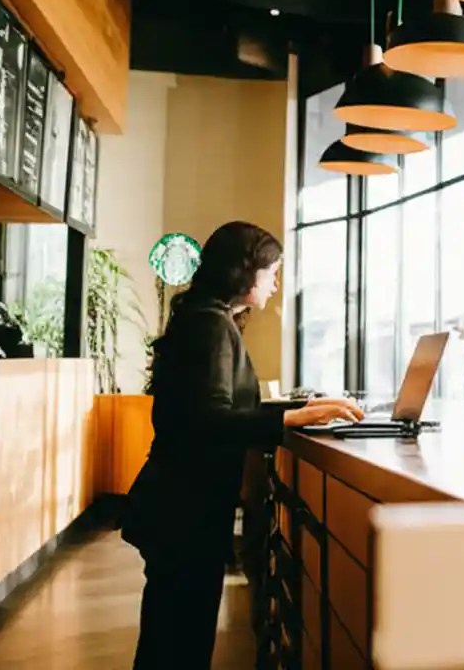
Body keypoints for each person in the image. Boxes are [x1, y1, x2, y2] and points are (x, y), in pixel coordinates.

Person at [122, 221, 362, 669]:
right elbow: (210, 421)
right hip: (185, 512)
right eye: (271, 273)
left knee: (168, 635)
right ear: (243, 273)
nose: (275, 284)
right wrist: (292, 416)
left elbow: (211, 412)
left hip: (177, 507)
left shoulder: (204, 318)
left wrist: (296, 409)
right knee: (180, 641)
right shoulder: (212, 326)